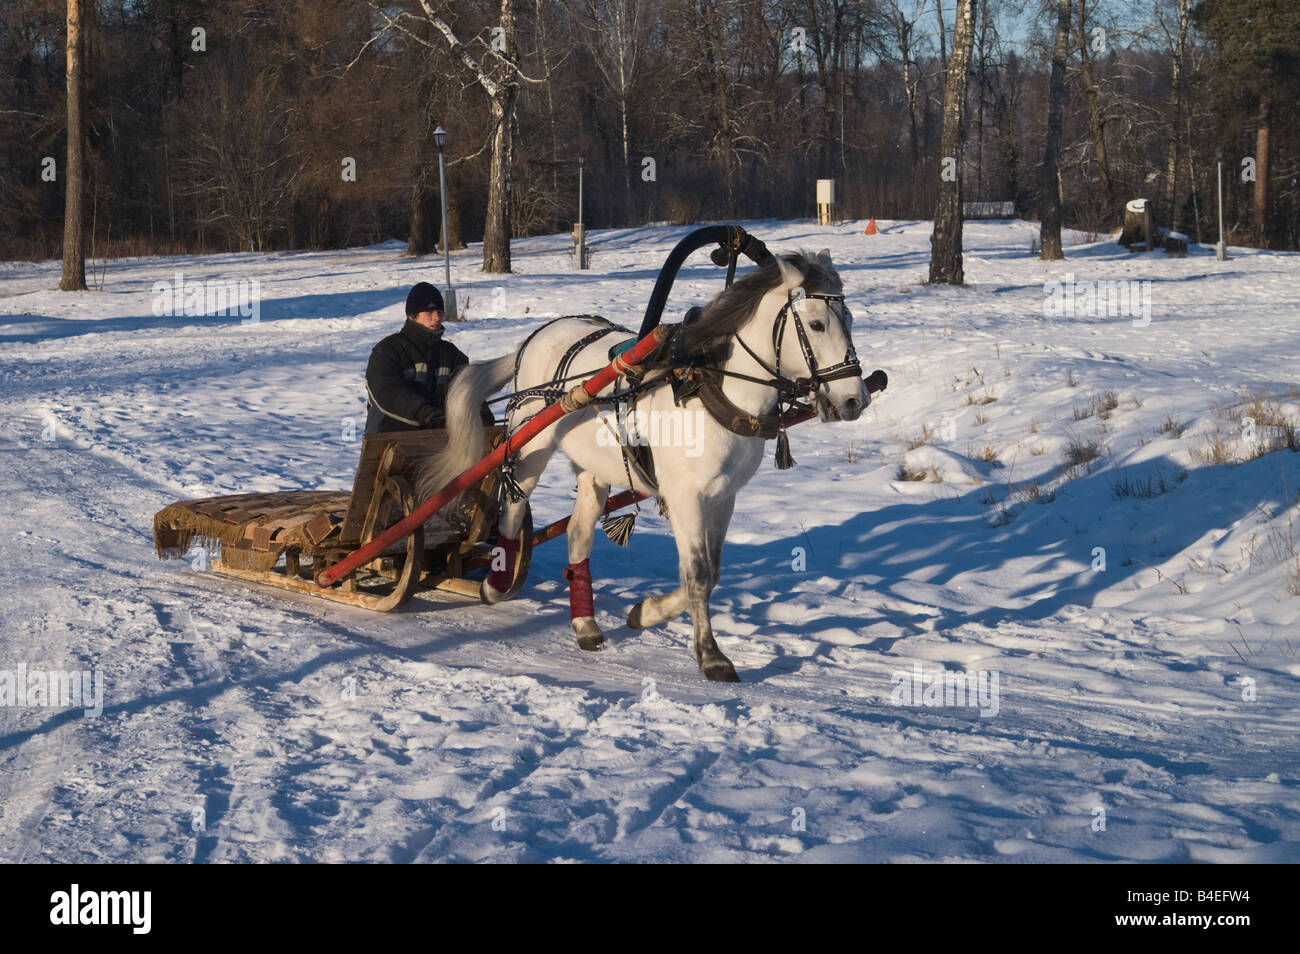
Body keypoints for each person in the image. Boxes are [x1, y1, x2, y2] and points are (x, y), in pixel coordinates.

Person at [364, 282, 492, 434]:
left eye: (440, 312)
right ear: (412, 315)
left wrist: (482, 416)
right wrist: (426, 414)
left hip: (443, 436)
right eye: (429, 312)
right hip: (389, 436)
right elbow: (388, 392)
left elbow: (467, 387)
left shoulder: (452, 355)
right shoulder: (387, 350)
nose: (437, 317)